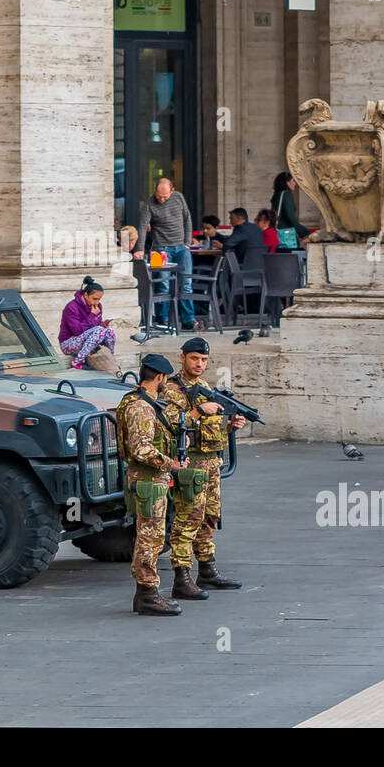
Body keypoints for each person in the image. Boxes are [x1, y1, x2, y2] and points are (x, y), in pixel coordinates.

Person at [160, 337, 244, 593]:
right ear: (182, 357)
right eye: (194, 358)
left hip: (210, 463)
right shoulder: (173, 389)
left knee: (209, 518)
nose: (199, 364)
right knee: (187, 520)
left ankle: (207, 570)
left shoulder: (204, 386)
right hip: (190, 463)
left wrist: (229, 427)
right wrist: (198, 412)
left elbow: (209, 427)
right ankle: (182, 578)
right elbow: (169, 423)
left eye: (204, 359)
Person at [115, 353, 187, 615]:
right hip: (147, 478)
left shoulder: (138, 401)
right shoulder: (141, 407)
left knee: (153, 536)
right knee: (149, 538)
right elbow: (140, 449)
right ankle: (147, 594)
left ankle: (147, 594)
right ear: (159, 377)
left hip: (150, 478)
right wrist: (171, 463)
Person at [133, 177, 196, 330]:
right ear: (155, 191)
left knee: (186, 283)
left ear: (172, 191)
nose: (161, 199)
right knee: (163, 285)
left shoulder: (179, 197)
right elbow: (142, 226)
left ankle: (189, 320)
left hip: (181, 247)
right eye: (159, 196)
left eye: (165, 197)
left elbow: (187, 219)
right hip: (161, 248)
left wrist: (187, 242)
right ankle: (163, 320)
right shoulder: (149, 204)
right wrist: (140, 248)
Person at [58, 276, 115, 370]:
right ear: (85, 295)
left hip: (87, 340)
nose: (97, 302)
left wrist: (102, 324)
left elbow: (94, 327)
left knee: (109, 331)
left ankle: (111, 358)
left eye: (99, 299)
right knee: (99, 331)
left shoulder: (98, 306)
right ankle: (77, 362)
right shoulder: (71, 307)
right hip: (68, 343)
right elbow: (77, 331)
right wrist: (92, 315)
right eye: (94, 299)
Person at [272, 171, 311, 244]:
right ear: (287, 182)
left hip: (277, 234)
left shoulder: (277, 195)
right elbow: (291, 217)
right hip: (287, 235)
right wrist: (306, 233)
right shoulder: (286, 195)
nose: (295, 183)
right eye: (293, 180)